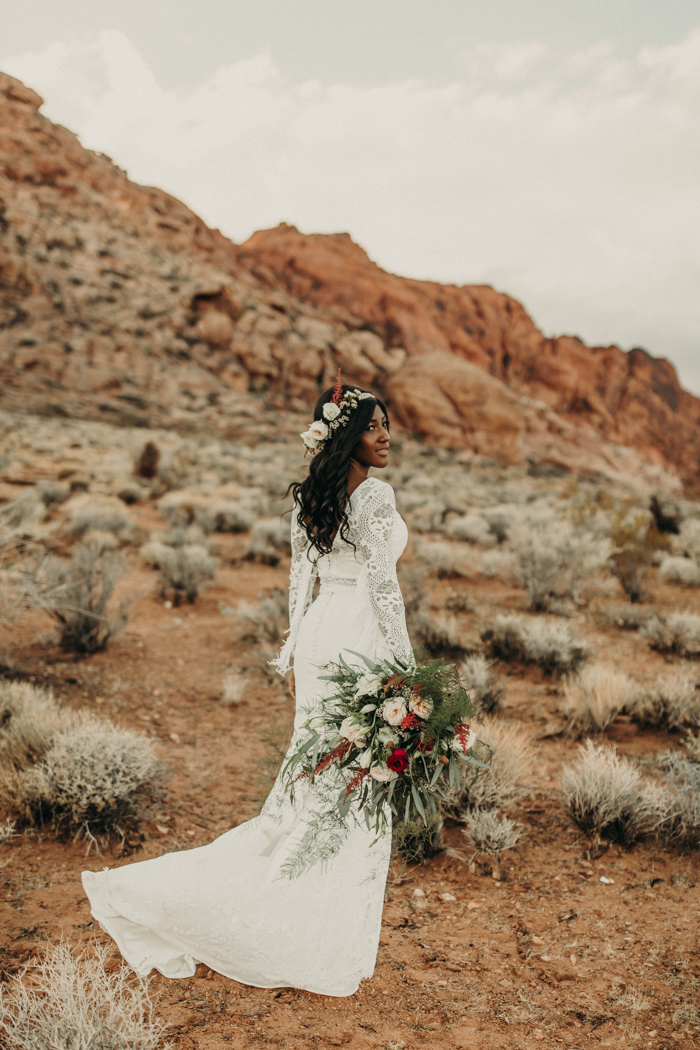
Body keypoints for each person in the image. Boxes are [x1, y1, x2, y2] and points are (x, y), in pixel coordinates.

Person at [81, 379, 413, 997]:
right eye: (372, 427)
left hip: (321, 636)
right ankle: (312, 919)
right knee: (351, 779)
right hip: (357, 636)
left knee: (315, 772)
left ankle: (293, 884)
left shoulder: (311, 497)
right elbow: (385, 590)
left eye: (386, 424)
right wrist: (408, 671)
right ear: (346, 436)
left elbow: (299, 584)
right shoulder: (375, 497)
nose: (385, 436)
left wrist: (294, 650)